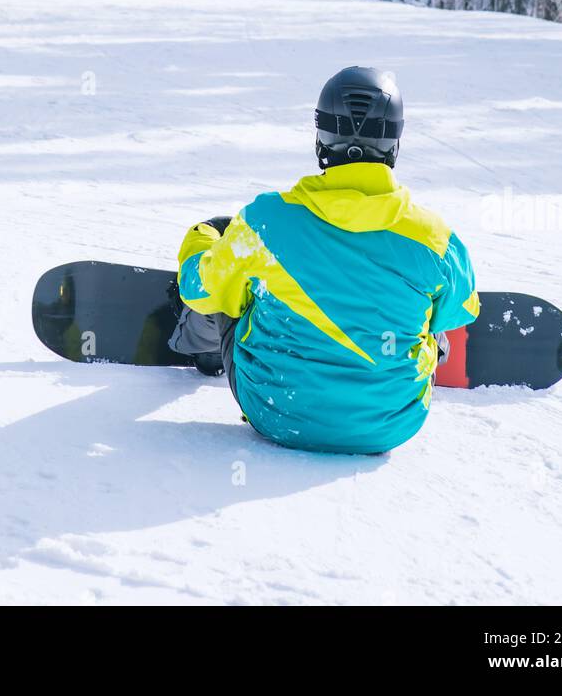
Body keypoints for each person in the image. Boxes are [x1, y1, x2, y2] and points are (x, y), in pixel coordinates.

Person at [169, 66, 478, 454]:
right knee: (433, 312)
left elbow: (198, 290)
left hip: (275, 413)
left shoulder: (265, 223)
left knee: (227, 268)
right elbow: (462, 309)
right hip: (392, 425)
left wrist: (202, 238)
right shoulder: (436, 239)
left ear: (320, 141)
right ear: (394, 145)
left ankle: (201, 345)